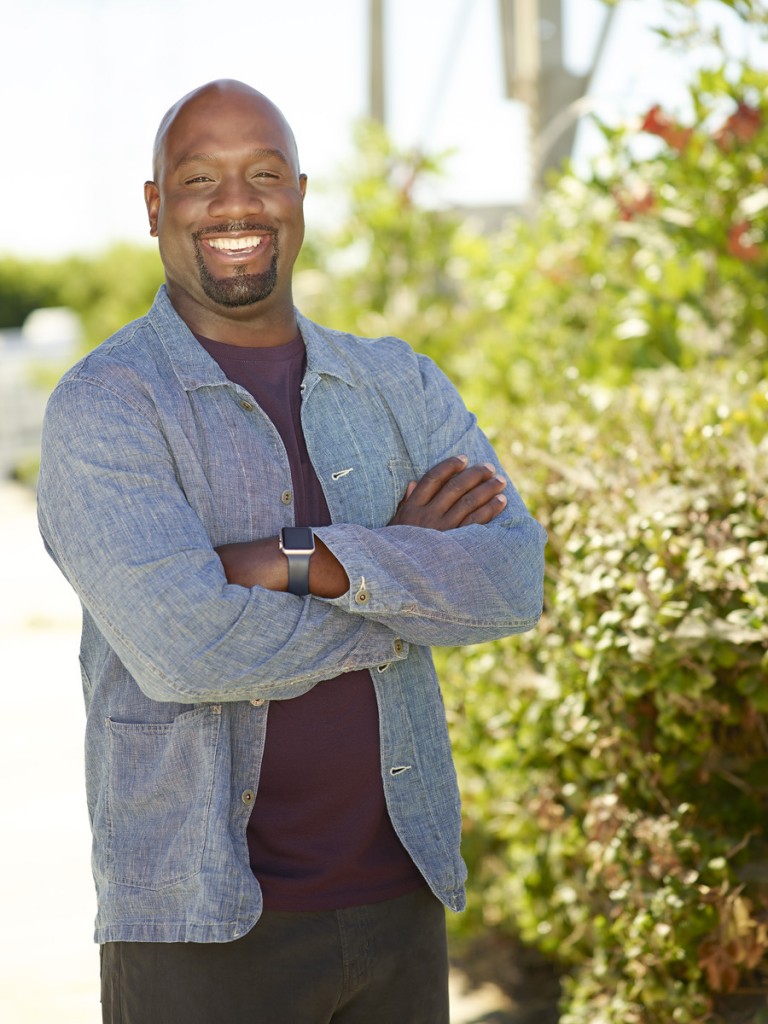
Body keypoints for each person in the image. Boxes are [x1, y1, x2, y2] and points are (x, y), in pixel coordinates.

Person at [37, 79, 546, 1024]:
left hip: (401, 899)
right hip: (199, 925)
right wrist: (396, 581)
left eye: (264, 174)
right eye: (199, 180)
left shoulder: (399, 382)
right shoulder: (106, 406)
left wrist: (294, 558)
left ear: (301, 195)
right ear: (156, 207)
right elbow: (187, 650)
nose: (236, 204)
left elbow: (513, 580)